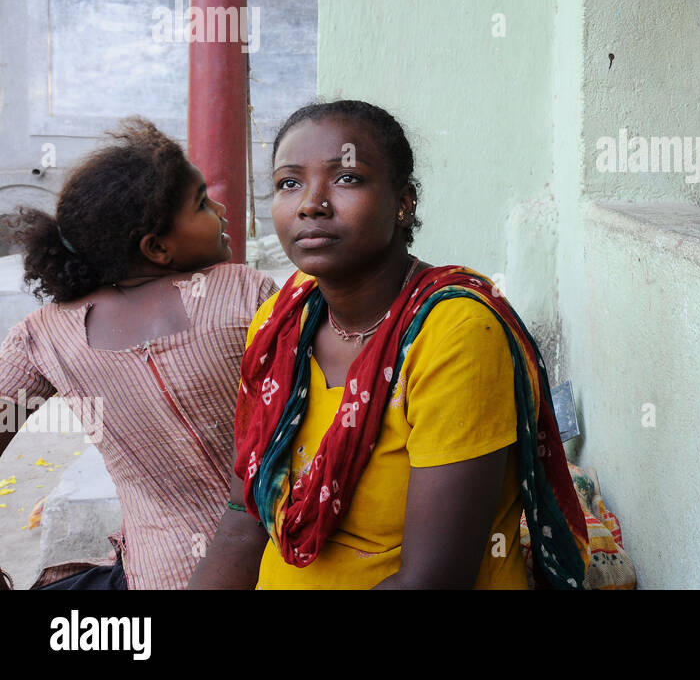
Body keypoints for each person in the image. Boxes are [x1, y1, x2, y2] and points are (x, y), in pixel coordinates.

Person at [189, 100, 589, 589]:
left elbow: (431, 580)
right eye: (289, 183)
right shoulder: (280, 321)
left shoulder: (455, 332)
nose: (310, 203)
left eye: (347, 179)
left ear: (404, 203)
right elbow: (244, 514)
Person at [0, 118, 278, 589]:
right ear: (157, 247)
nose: (222, 209)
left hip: (155, 575)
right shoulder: (248, 294)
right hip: (284, 565)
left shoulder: (42, 335)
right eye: (202, 204)